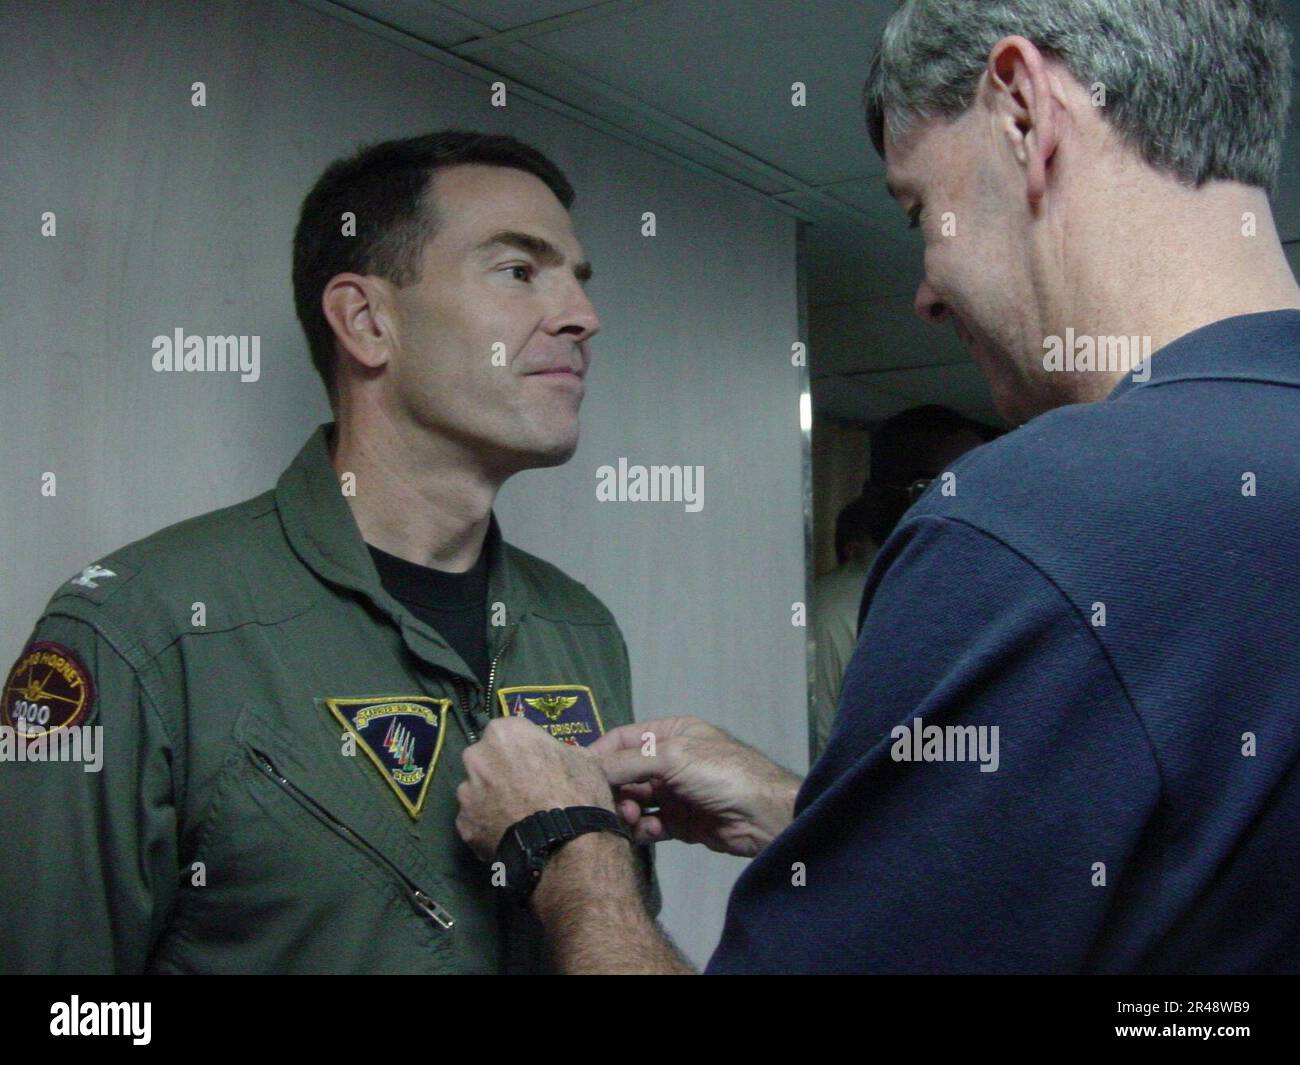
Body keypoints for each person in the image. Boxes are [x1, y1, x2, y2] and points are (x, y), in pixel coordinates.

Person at [455, 0, 1300, 973]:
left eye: (918, 212)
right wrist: (810, 815)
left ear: (1024, 110)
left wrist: (568, 851)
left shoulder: (1028, 524)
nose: (925, 290)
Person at [0, 129, 657, 973]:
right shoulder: (138, 634)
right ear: (366, 320)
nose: (581, 316)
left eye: (577, 278)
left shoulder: (580, 628)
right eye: (521, 270)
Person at [812, 407, 989, 759]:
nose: (958, 501)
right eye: (931, 486)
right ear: (874, 495)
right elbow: (821, 767)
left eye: (973, 483)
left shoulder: (977, 594)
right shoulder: (833, 615)